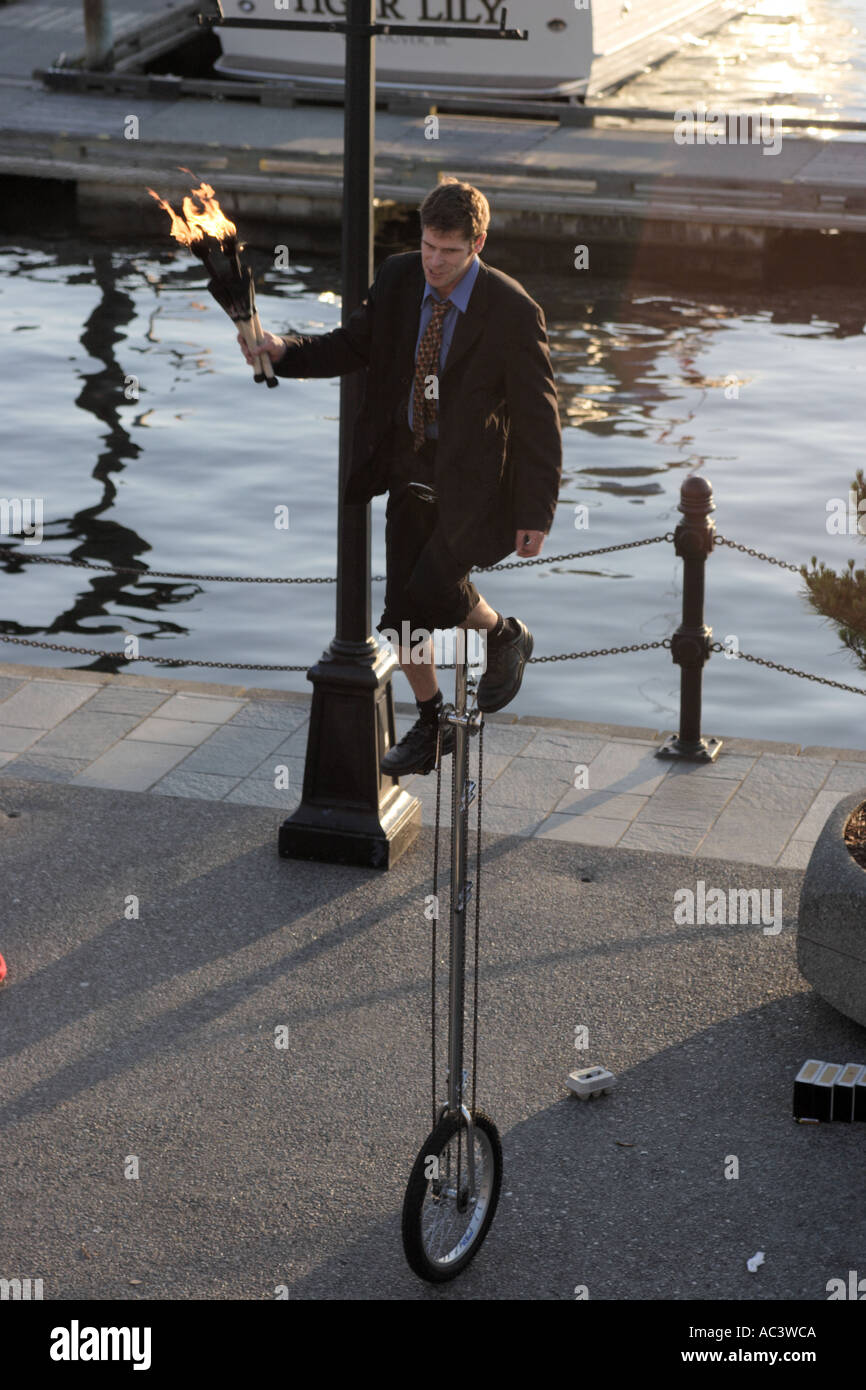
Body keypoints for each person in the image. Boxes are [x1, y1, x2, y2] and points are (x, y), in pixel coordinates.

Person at [239, 178, 562, 776]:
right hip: (409, 464)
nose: (434, 263)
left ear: (478, 244)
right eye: (427, 247)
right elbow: (352, 346)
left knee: (420, 599)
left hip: (475, 484)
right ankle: (455, 693)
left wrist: (535, 515)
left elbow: (541, 420)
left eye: (449, 251)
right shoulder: (397, 278)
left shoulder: (514, 311)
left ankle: (493, 648)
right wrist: (285, 349)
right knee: (406, 607)